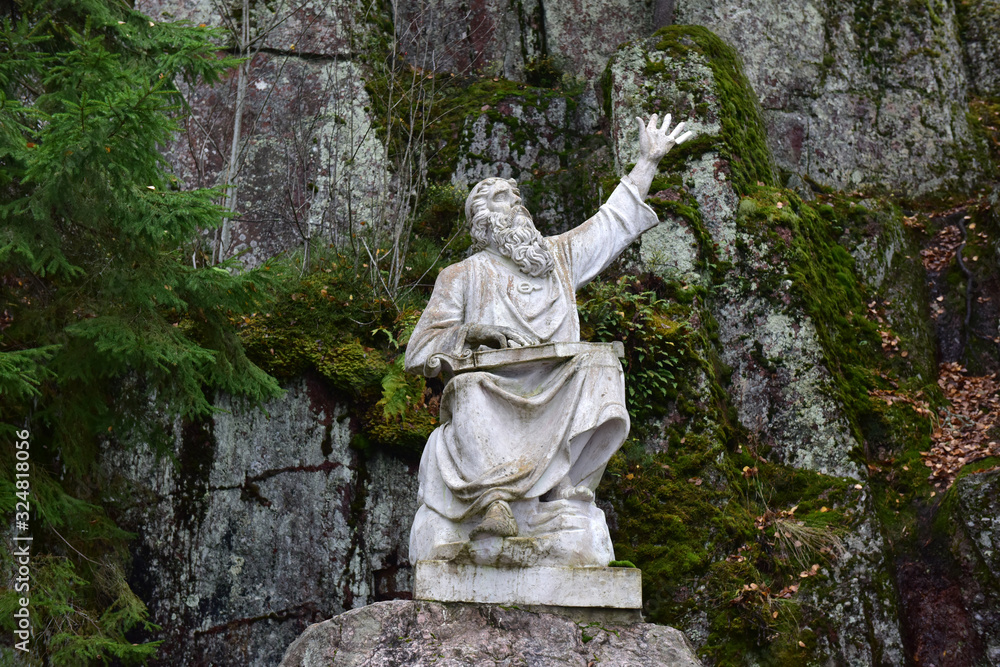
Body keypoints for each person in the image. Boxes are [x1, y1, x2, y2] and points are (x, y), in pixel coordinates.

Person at [405, 114, 693, 565]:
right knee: (467, 388)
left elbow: (612, 222)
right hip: (494, 385)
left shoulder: (559, 257)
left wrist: (648, 162)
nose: (516, 202)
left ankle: (566, 488)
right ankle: (494, 502)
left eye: (516, 195)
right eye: (502, 197)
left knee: (602, 365)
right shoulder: (462, 275)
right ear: (481, 220)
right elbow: (420, 348)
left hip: (559, 380)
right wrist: (472, 333)